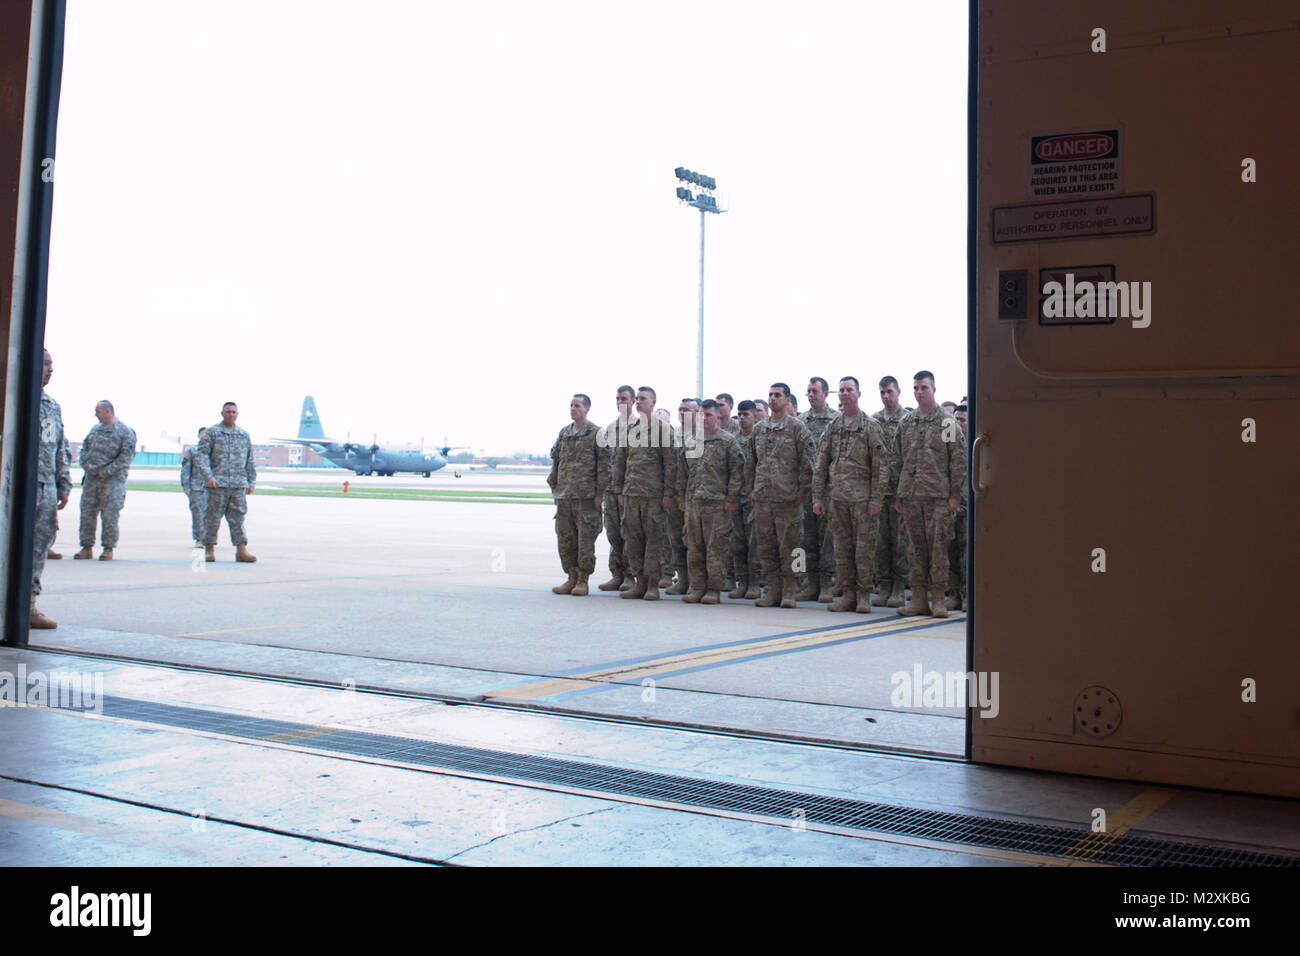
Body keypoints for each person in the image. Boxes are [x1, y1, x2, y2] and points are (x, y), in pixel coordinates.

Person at [895, 371, 966, 618]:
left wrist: (954, 494)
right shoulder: (907, 423)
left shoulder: (946, 422)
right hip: (912, 496)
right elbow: (897, 460)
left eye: (923, 387)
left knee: (938, 549)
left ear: (934, 389)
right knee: (914, 549)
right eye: (915, 388)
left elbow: (956, 459)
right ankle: (918, 598)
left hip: (938, 496)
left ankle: (938, 599)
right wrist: (899, 494)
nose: (919, 392)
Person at [813, 377, 887, 612]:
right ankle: (848, 595)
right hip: (838, 499)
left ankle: (863, 595)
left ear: (859, 393)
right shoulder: (834, 426)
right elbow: (822, 462)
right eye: (842, 390)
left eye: (849, 390)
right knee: (841, 550)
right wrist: (817, 497)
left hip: (862, 500)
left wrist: (877, 499)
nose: (845, 394)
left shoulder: (870, 426)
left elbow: (881, 466)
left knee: (863, 550)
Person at [745, 383, 813, 608]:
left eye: (777, 395)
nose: (773, 399)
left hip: (788, 498)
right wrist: (751, 489)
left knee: (794, 547)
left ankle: (792, 589)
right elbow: (751, 462)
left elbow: (808, 463)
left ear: (787, 400)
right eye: (770, 395)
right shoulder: (759, 429)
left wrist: (803, 491)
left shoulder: (797, 427)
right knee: (766, 547)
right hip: (763, 498)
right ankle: (773, 589)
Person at [676, 399, 742, 604]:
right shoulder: (690, 441)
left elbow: (737, 472)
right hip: (694, 503)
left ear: (718, 417)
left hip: (717, 504)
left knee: (716, 548)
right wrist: (682, 497)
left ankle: (713, 589)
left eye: (708, 415)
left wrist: (732, 498)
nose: (704, 419)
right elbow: (682, 472)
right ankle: (697, 587)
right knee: (694, 547)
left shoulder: (728, 441)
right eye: (701, 415)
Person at [613, 387, 675, 600]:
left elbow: (670, 464)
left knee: (654, 541)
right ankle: (639, 582)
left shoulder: (664, 430)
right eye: (637, 399)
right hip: (631, 494)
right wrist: (619, 490)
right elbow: (620, 462)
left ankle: (652, 585)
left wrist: (668, 494)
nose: (638, 402)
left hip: (653, 495)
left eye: (642, 399)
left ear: (653, 402)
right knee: (632, 540)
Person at [30, 350, 71, 629]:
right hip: (17, 484)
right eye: (45, 364)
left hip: (45, 486)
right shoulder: (13, 396)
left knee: (39, 544)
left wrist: (64, 482)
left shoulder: (51, 405)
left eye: (51, 365)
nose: (50, 369)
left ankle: (28, 604)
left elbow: (59, 446)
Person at [547, 394, 602, 596]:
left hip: (586, 497)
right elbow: (556, 462)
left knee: (584, 541)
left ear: (587, 408)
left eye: (577, 405)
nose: (572, 408)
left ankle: (583, 580)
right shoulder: (564, 433)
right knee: (565, 539)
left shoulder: (596, 433)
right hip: (565, 495)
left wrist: (600, 493)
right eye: (571, 405)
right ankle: (570, 576)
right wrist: (555, 488)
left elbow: (604, 466)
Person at [195, 402, 258, 562]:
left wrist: (251, 482)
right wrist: (208, 476)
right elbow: (201, 456)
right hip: (217, 484)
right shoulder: (211, 433)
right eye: (228, 412)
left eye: (234, 412)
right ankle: (209, 549)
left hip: (237, 485)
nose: (231, 414)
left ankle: (241, 549)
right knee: (212, 518)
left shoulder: (243, 435)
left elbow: (249, 459)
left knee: (238, 518)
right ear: (222, 413)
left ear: (238, 414)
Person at [74, 400, 136, 560]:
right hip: (91, 480)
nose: (95, 414)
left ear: (108, 411)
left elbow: (126, 457)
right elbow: (85, 449)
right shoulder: (95, 430)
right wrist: (86, 465)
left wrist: (107, 471)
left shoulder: (124, 431)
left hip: (112, 482)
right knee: (87, 513)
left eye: (98, 411)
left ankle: (108, 548)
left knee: (109, 516)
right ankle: (86, 547)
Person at [797, 376, 839, 602]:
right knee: (806, 540)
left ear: (825, 393)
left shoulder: (836, 420)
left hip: (828, 490)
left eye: (815, 391)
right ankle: (809, 583)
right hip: (805, 490)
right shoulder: (800, 421)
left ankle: (826, 584)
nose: (811, 395)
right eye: (808, 392)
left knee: (827, 540)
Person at [871, 375, 911, 607]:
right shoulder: (873, 421)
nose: (886, 396)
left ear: (898, 392)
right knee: (880, 542)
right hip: (878, 492)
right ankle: (883, 586)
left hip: (900, 491)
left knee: (900, 542)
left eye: (890, 392)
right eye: (882, 392)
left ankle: (898, 587)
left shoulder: (908, 419)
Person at [597, 387, 636, 591]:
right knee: (613, 533)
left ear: (633, 401)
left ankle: (631, 575)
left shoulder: (641, 427)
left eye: (624, 398)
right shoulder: (611, 429)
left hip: (630, 490)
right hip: (611, 490)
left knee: (629, 533)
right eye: (617, 398)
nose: (620, 402)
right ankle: (617, 574)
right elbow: (604, 460)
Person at [663, 398, 699, 595]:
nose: (682, 412)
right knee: (676, 539)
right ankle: (682, 579)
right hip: (676, 496)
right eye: (680, 409)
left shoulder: (702, 436)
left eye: (687, 409)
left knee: (694, 541)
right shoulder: (673, 435)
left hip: (695, 496)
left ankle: (696, 581)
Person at [729, 400, 762, 599]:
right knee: (737, 542)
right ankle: (742, 581)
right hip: (736, 497)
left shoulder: (760, 438)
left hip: (754, 498)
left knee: (754, 543)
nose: (742, 418)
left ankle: (755, 583)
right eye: (739, 415)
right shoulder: (732, 440)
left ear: (754, 416)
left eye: (746, 415)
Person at [947, 404, 970, 611]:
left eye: (963, 420)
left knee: (966, 552)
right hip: (948, 505)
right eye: (957, 420)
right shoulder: (947, 444)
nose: (959, 423)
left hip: (968, 507)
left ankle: (966, 595)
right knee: (949, 551)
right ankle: (953, 593)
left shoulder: (974, 445)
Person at [180, 427, 209, 546]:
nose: (205, 437)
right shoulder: (192, 451)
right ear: (198, 436)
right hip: (196, 487)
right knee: (198, 513)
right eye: (203, 434)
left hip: (211, 488)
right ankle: (199, 538)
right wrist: (186, 487)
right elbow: (185, 470)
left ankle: (209, 538)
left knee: (211, 515)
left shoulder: (214, 451)